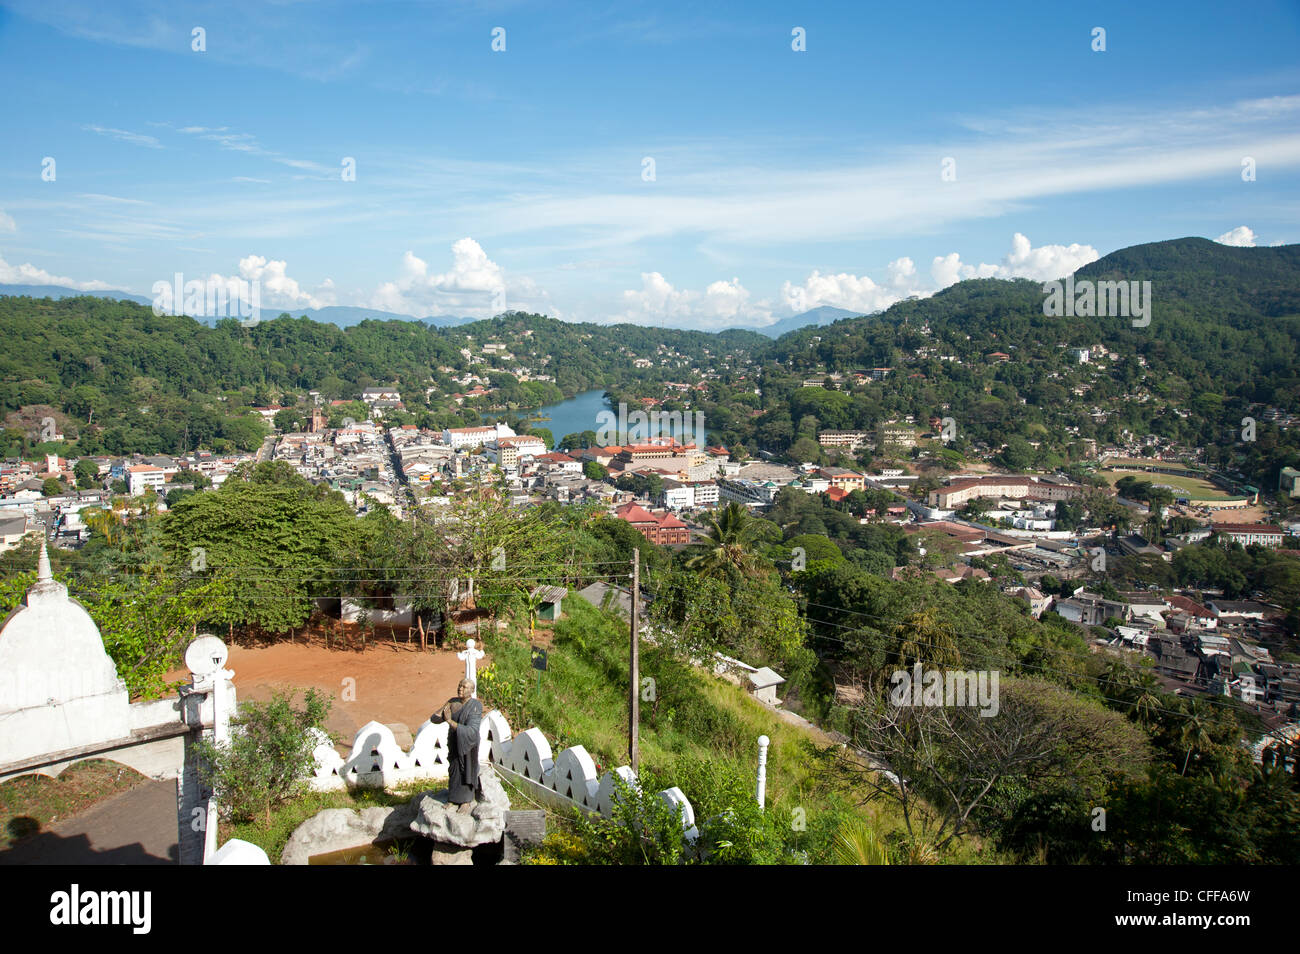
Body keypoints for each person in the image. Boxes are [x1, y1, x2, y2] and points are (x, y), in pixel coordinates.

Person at [431, 678, 482, 813]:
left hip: (468, 743)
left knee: (466, 770)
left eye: (464, 687)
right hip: (454, 741)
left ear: (471, 690)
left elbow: (472, 730)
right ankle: (453, 798)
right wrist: (442, 714)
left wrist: (449, 721)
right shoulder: (453, 702)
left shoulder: (475, 705)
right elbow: (434, 719)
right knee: (454, 770)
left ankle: (466, 801)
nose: (460, 688)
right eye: (459, 686)